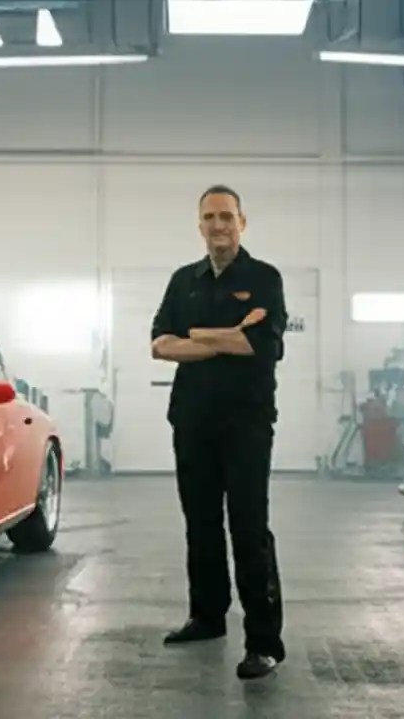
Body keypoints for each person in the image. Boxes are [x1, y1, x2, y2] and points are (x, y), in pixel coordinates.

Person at [149, 184, 288, 680]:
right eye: (209, 217)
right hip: (191, 419)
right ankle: (207, 616)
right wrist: (225, 335)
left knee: (249, 527)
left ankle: (265, 643)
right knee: (201, 523)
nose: (218, 225)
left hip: (246, 423)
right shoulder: (183, 280)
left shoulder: (265, 278)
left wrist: (198, 337)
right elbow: (160, 346)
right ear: (200, 224)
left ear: (242, 222)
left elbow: (261, 348)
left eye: (226, 216)